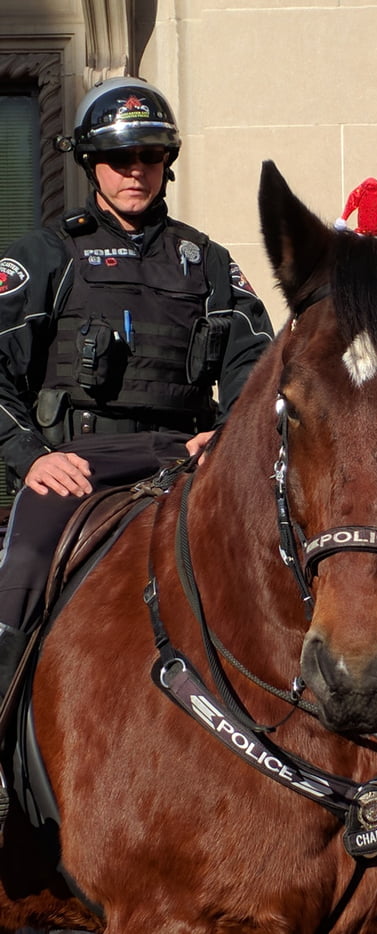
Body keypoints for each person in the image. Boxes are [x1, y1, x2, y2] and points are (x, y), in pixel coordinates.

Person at [0, 76, 274, 707]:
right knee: (21, 576)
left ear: (166, 163)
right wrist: (33, 458)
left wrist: (227, 436)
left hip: (186, 461)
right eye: (119, 156)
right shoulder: (46, 255)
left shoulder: (207, 262)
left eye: (149, 155)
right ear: (90, 161)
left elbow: (258, 363)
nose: (135, 170)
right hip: (78, 467)